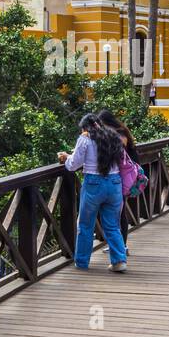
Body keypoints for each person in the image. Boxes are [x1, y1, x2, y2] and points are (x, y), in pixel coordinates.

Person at [58, 113, 128, 273]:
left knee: (85, 224)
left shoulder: (85, 139)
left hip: (93, 184)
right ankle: (119, 260)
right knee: (112, 225)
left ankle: (82, 262)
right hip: (114, 183)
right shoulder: (113, 137)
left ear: (85, 128)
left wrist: (65, 158)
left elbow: (73, 165)